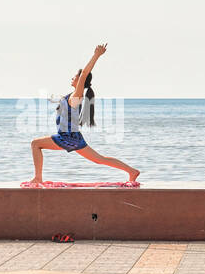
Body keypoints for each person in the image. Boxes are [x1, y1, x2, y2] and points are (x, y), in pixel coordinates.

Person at [29, 43, 140, 185]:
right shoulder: (71, 96)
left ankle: (38, 177)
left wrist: (96, 55)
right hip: (74, 136)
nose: (73, 77)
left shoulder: (77, 94)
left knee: (35, 144)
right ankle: (132, 171)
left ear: (80, 81)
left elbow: (85, 73)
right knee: (100, 159)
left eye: (75, 76)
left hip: (67, 137)